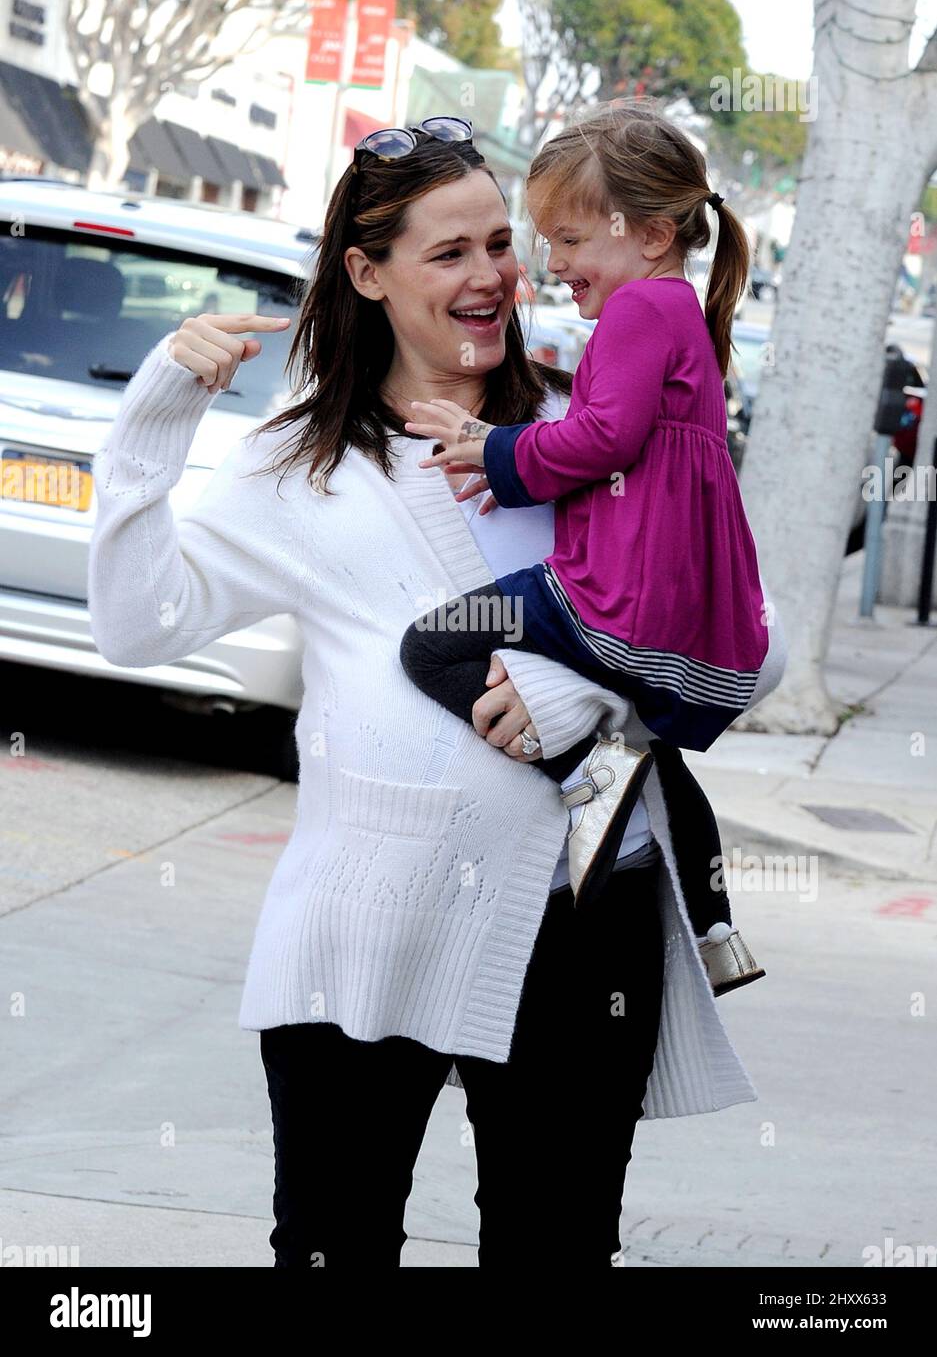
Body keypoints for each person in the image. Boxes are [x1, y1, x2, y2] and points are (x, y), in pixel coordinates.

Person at [87, 115, 787, 1269]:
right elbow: (136, 623)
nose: (493, 277)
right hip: (372, 917)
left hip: (583, 921)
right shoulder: (300, 466)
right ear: (367, 274)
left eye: (502, 244)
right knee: (334, 1248)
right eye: (450, 252)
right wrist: (157, 412)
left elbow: (737, 634)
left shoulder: (585, 422)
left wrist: (587, 698)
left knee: (555, 1254)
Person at [400, 99, 768, 964]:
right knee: (652, 751)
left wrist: (494, 450)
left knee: (431, 648)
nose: (551, 262)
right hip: (672, 617)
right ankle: (714, 928)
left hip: (607, 601)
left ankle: (575, 772)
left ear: (647, 234)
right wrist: (521, 472)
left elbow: (604, 437)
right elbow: (625, 461)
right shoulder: (681, 315)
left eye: (568, 240)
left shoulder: (638, 314)